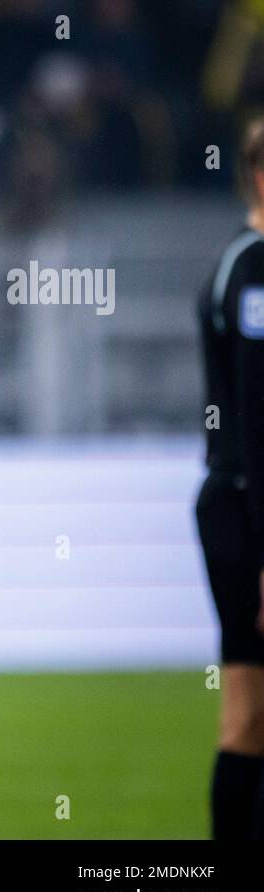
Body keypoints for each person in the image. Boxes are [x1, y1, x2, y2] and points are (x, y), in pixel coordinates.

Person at [195, 116, 264, 840]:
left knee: (250, 713)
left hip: (238, 505)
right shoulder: (253, 268)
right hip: (245, 510)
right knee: (247, 712)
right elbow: (255, 421)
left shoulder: (235, 265)